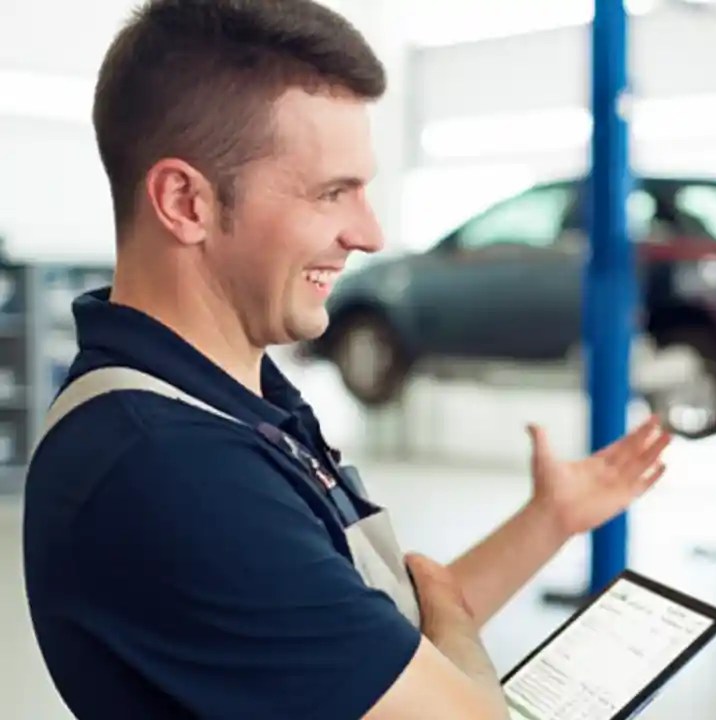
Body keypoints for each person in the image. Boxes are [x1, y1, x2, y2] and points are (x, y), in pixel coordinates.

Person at [22, 2, 670, 719]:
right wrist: (468, 659)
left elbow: (361, 649)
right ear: (186, 202)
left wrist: (547, 521)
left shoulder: (234, 402)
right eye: (333, 193)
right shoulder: (172, 468)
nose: (368, 232)